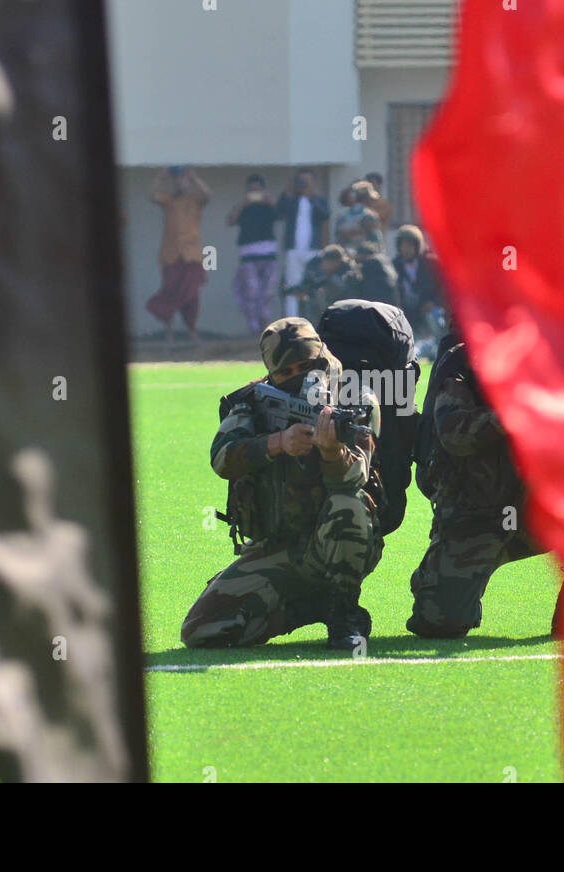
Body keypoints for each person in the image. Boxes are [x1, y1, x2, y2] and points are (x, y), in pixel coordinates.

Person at [181, 318, 383, 650]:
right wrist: (276, 443)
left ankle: (344, 612)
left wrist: (332, 452)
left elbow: (357, 476)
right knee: (201, 630)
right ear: (271, 375)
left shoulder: (355, 399)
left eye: (306, 367)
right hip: (277, 546)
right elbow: (221, 458)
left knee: (348, 505)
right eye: (285, 373)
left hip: (336, 543)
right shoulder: (252, 400)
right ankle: (306, 610)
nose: (297, 377)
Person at [407, 337, 549, 639]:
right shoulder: (463, 364)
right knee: (439, 620)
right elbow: (454, 435)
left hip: (542, 509)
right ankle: (435, 574)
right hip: (479, 515)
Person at [146, 166, 210, 343]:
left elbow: (208, 195)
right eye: (177, 181)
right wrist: (160, 178)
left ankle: (191, 332)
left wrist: (195, 178)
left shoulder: (195, 200)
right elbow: (152, 196)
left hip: (192, 255)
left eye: (183, 180)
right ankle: (169, 333)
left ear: (188, 183)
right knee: (169, 293)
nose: (180, 183)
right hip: (170, 255)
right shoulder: (167, 201)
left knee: (192, 296)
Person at [227, 174, 280, 335]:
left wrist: (269, 201)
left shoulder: (269, 206)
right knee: (251, 291)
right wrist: (244, 203)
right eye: (251, 190)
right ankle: (253, 327)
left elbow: (282, 215)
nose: (255, 193)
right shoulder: (242, 207)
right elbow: (230, 221)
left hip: (269, 254)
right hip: (248, 255)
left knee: (268, 291)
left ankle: (264, 321)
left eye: (257, 190)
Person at [275, 169, 330, 317]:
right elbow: (279, 211)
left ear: (314, 182)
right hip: (294, 251)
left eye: (307, 181)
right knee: (292, 288)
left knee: (316, 287)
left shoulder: (319, 201)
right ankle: (291, 321)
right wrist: (288, 189)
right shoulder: (292, 200)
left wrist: (310, 196)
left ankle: (316, 321)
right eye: (301, 181)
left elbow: (324, 215)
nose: (304, 184)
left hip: (314, 250)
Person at [392, 224, 444, 339]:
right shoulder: (395, 265)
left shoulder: (431, 263)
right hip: (407, 311)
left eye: (410, 245)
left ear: (417, 246)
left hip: (429, 308)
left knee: (435, 319)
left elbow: (443, 287)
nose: (406, 249)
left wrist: (434, 302)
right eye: (403, 245)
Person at [286, 243, 355, 324]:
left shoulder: (347, 273)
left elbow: (342, 293)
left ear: (336, 262)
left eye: (327, 261)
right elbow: (307, 286)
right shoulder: (316, 269)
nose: (323, 264)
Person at [333, 181, 384, 254]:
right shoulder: (369, 216)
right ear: (367, 198)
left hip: (347, 256)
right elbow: (376, 241)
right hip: (366, 257)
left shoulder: (342, 216)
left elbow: (337, 239)